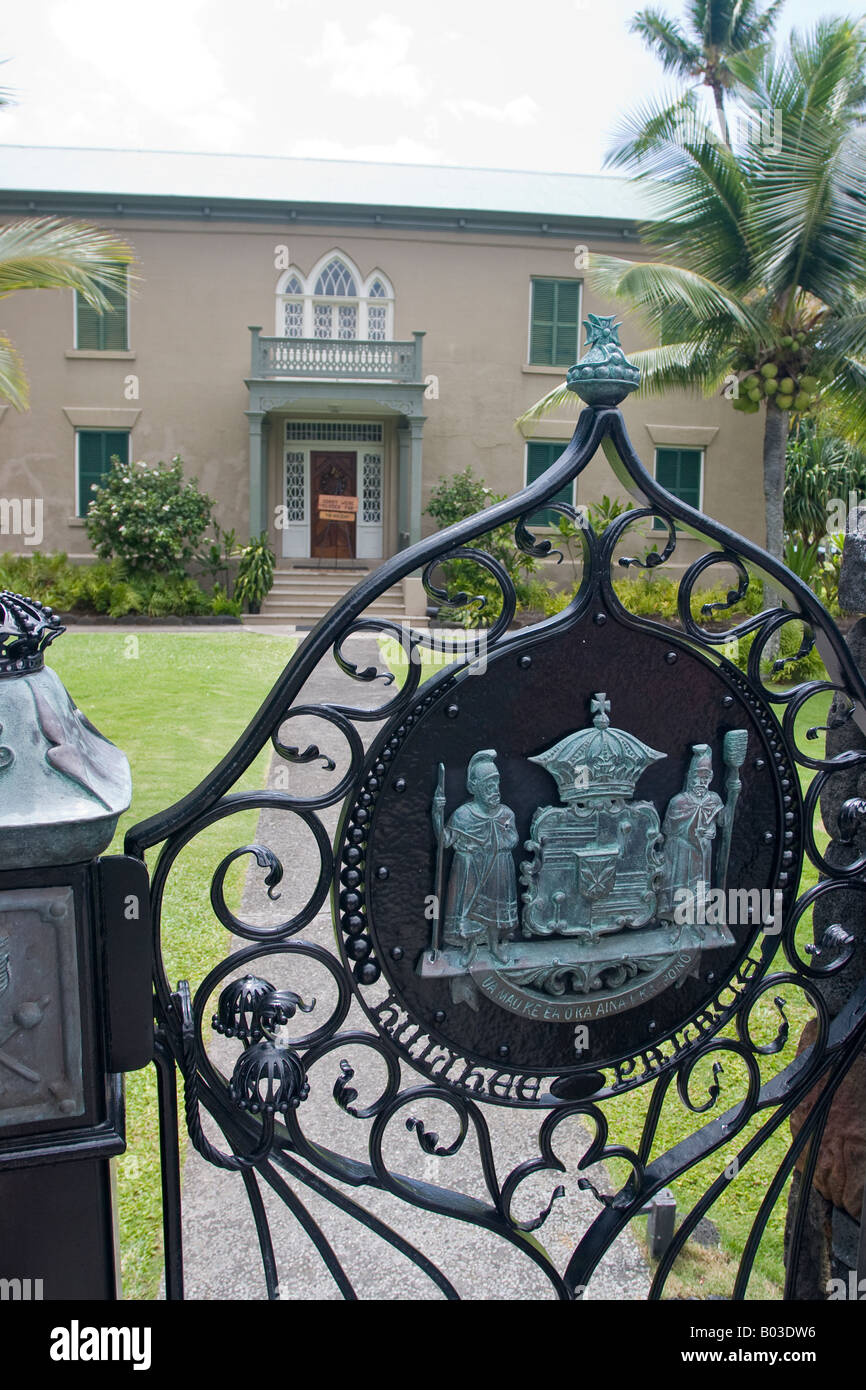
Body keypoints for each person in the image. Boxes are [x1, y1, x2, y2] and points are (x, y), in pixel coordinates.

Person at [435, 749, 519, 967]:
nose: (494, 790)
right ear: (475, 788)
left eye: (496, 784)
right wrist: (437, 814)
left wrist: (498, 844)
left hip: (498, 868)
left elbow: (513, 838)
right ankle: (470, 947)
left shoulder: (506, 814)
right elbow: (445, 840)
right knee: (469, 910)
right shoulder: (463, 815)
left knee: (494, 911)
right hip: (470, 870)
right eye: (488, 786)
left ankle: (494, 946)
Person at [658, 744, 725, 915]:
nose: (702, 782)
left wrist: (711, 831)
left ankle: (695, 922)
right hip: (681, 853)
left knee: (700, 892)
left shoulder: (714, 800)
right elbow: (668, 832)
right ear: (690, 777)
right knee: (679, 894)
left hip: (703, 852)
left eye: (706, 777)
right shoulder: (678, 802)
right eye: (698, 776)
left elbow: (723, 821)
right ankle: (675, 921)